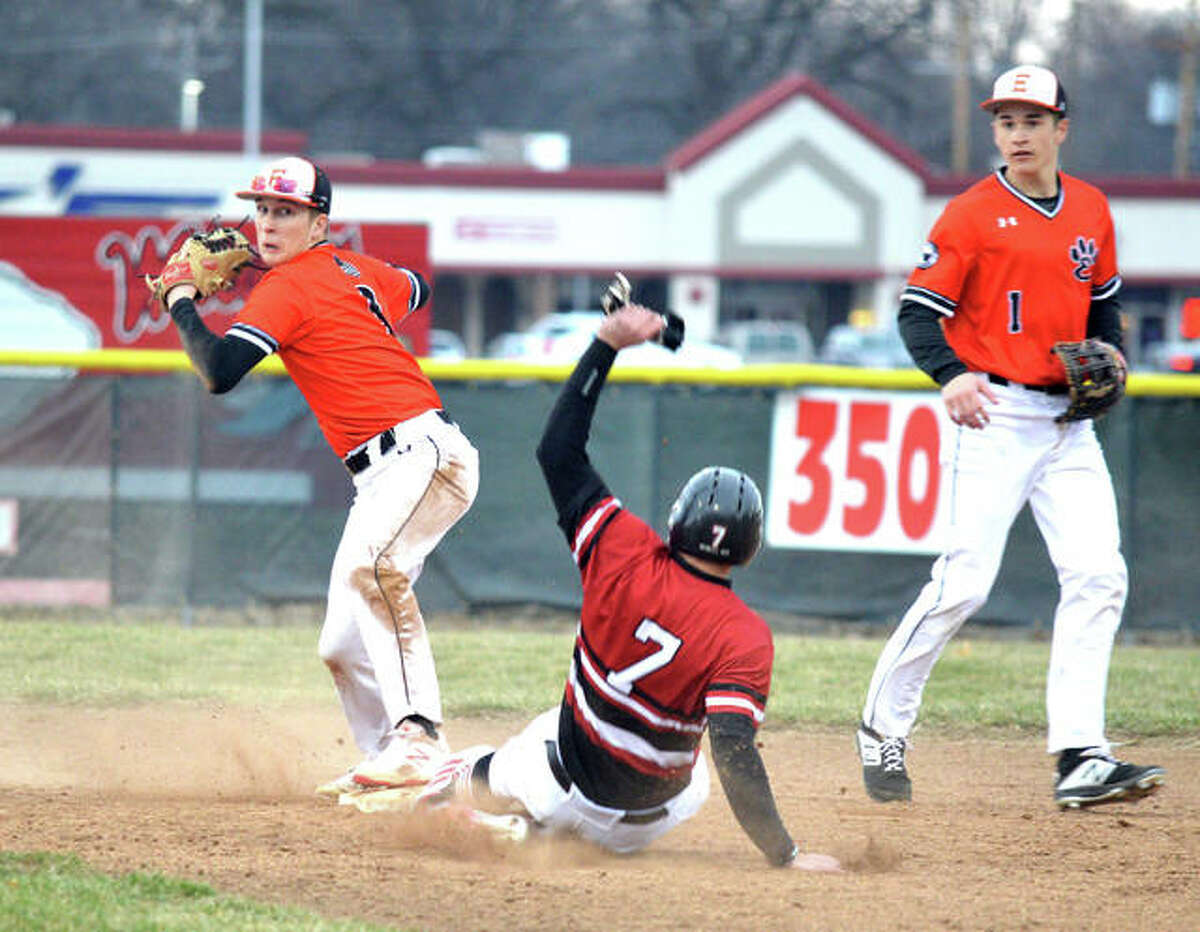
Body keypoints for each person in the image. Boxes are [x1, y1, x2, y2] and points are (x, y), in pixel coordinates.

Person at [414, 304, 840, 871]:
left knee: (508, 753)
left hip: (559, 779)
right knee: (697, 780)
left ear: (677, 522)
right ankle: (548, 837)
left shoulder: (623, 548)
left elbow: (557, 451)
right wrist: (784, 854)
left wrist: (605, 345)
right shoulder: (747, 636)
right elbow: (736, 752)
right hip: (642, 826)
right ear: (749, 549)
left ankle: (460, 791)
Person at [855, 65, 1165, 808]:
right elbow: (916, 313)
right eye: (1006, 121)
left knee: (1099, 575)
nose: (1018, 134)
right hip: (991, 414)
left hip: (1067, 423)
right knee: (963, 584)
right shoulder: (968, 215)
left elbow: (1103, 308)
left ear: (1062, 128)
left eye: (1033, 120)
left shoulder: (1090, 209)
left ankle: (1080, 755)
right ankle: (882, 726)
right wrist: (951, 376)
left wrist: (1113, 348)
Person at [153, 156, 479, 797]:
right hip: (391, 471)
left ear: (318, 222)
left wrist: (181, 301)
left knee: (374, 571)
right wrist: (359, 283)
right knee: (339, 645)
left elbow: (219, 371)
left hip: (423, 453)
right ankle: (391, 769)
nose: (268, 223)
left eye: (287, 212)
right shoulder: (356, 270)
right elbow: (416, 286)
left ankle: (419, 741)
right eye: (263, 211)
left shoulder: (287, 289)